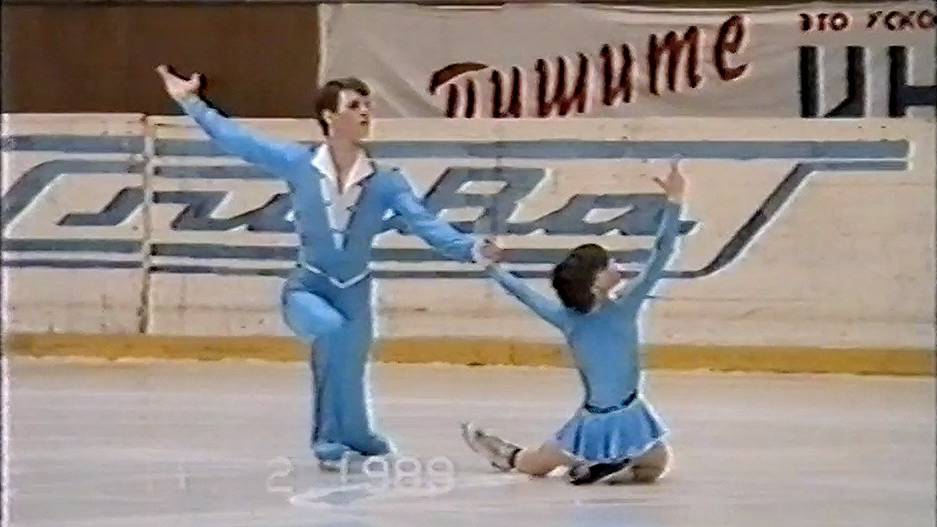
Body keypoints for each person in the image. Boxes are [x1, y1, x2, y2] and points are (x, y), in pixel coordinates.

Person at [156, 66, 500, 467]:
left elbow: (425, 223)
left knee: (351, 367)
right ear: (329, 116)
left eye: (367, 105)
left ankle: (356, 433)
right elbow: (238, 139)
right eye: (354, 106)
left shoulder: (386, 181)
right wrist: (190, 101)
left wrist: (470, 248)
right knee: (332, 335)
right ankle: (327, 440)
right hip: (307, 288)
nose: (365, 112)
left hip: (356, 291)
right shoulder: (298, 163)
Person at [462, 158, 686, 485]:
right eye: (609, 264)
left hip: (625, 413)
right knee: (536, 464)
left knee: (656, 466)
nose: (618, 266)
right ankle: (509, 454)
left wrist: (675, 202)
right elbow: (660, 255)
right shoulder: (604, 312)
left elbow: (661, 253)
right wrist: (492, 267)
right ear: (595, 282)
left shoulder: (606, 310)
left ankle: (605, 466)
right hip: (604, 420)